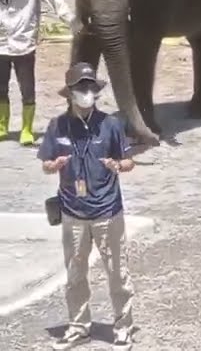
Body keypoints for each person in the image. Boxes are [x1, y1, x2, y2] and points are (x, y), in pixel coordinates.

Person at [37, 62, 138, 351]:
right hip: (73, 213)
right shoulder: (57, 126)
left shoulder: (110, 124)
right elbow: (45, 164)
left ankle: (123, 328)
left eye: (90, 87)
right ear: (69, 93)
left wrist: (118, 165)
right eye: (81, 88)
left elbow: (129, 161)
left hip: (107, 211)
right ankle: (79, 328)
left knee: (118, 273)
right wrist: (52, 165)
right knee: (75, 275)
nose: (87, 92)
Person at [1, 0, 76, 146]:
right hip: (1, 44)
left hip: (24, 43)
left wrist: (70, 19)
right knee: (0, 87)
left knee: (27, 88)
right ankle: (2, 126)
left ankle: (26, 129)